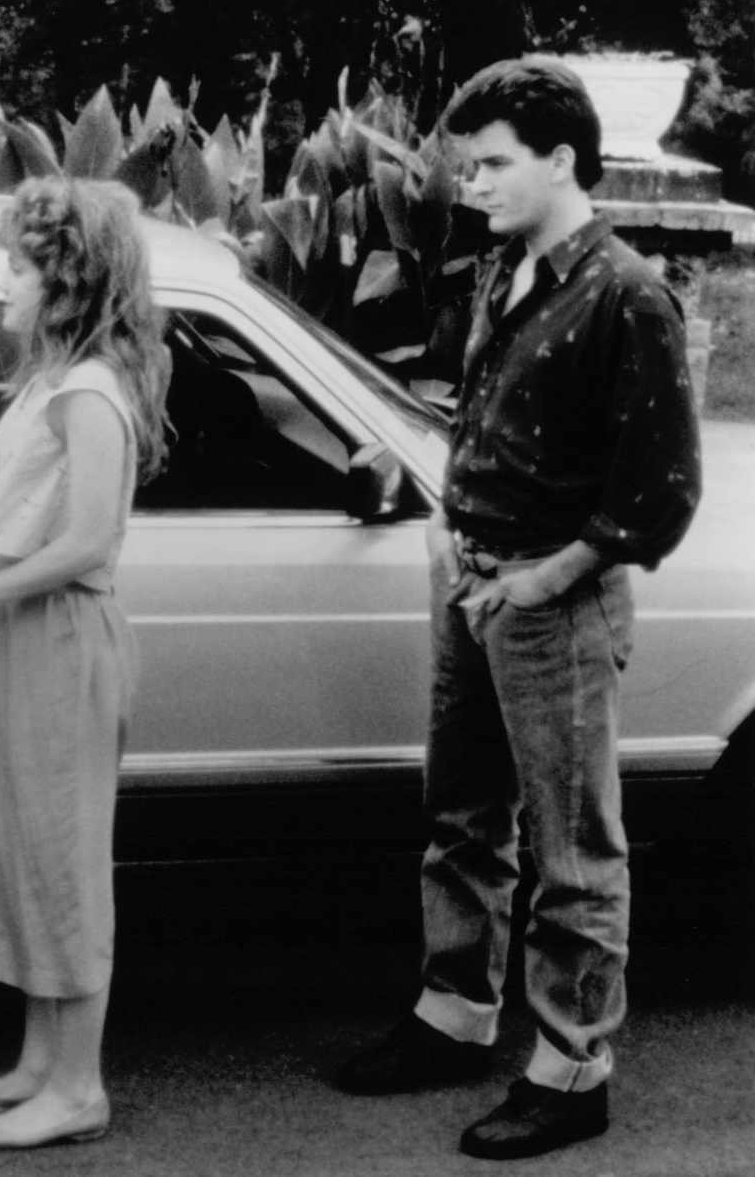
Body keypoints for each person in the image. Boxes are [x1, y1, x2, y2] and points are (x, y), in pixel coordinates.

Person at [337, 57, 701, 1160]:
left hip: (551, 602)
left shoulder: (624, 291)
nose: (472, 185)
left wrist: (540, 579)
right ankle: (452, 1015)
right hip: (477, 585)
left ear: (559, 159)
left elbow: (659, 493)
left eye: (492, 165)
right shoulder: (513, 271)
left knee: (572, 846)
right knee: (460, 819)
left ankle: (570, 1068)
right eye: (465, 165)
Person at [0, 178, 170, 1150]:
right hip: (23, 631)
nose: (5, 284)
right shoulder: (50, 381)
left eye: (18, 267)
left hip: (61, 632)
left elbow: (85, 541)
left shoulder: (90, 391)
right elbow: (22, 528)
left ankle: (77, 1087)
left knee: (65, 860)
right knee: (19, 845)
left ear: (65, 282)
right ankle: (35, 1060)